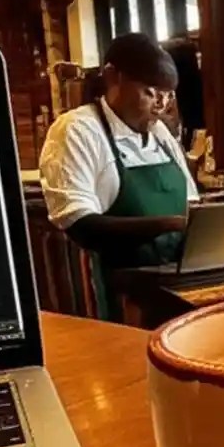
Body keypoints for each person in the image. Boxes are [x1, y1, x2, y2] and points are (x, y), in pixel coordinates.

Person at [39, 33, 198, 320]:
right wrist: (167, 224)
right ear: (113, 77)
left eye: (168, 96)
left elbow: (191, 204)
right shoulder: (77, 130)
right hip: (117, 295)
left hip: (176, 284)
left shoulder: (160, 134)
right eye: (150, 92)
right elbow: (80, 225)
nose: (160, 105)